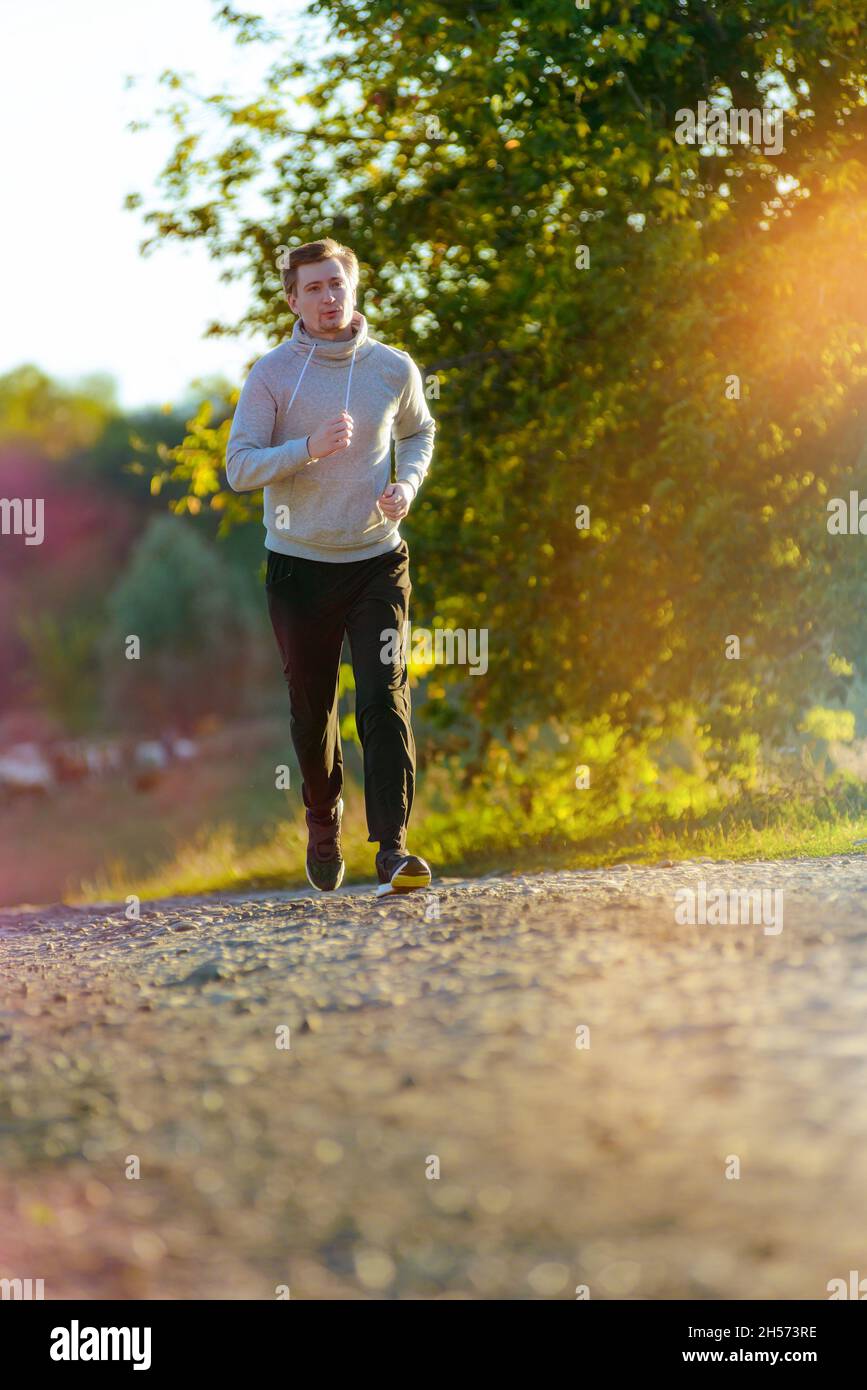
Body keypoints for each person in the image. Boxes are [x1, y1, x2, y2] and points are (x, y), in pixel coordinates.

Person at [226, 237, 435, 897]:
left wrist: (408, 487)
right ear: (292, 299)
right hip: (299, 567)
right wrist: (306, 449)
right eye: (312, 288)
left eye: (336, 285)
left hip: (377, 559)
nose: (326, 298)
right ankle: (322, 820)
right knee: (312, 712)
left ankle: (393, 850)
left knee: (383, 697)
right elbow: (239, 467)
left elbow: (418, 433)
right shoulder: (272, 375)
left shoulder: (390, 368)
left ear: (353, 290)